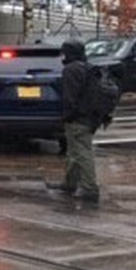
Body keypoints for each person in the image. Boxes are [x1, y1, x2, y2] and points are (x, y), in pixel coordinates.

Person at [52, 40, 100, 203]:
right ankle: (69, 183)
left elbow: (70, 97)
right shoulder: (87, 67)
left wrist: (67, 115)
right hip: (89, 117)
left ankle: (90, 188)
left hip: (78, 118)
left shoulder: (71, 70)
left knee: (82, 152)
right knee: (74, 151)